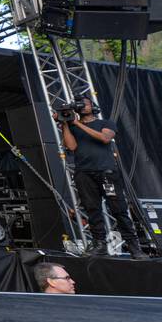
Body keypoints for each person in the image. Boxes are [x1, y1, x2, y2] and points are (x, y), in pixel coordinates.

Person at [55, 98, 146, 258]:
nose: (82, 106)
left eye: (85, 103)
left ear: (92, 106)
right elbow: (71, 146)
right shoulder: (73, 126)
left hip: (106, 172)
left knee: (119, 210)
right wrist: (65, 124)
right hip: (84, 172)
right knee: (92, 210)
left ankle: (134, 247)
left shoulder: (106, 123)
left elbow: (105, 138)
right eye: (79, 104)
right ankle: (100, 245)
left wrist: (77, 124)